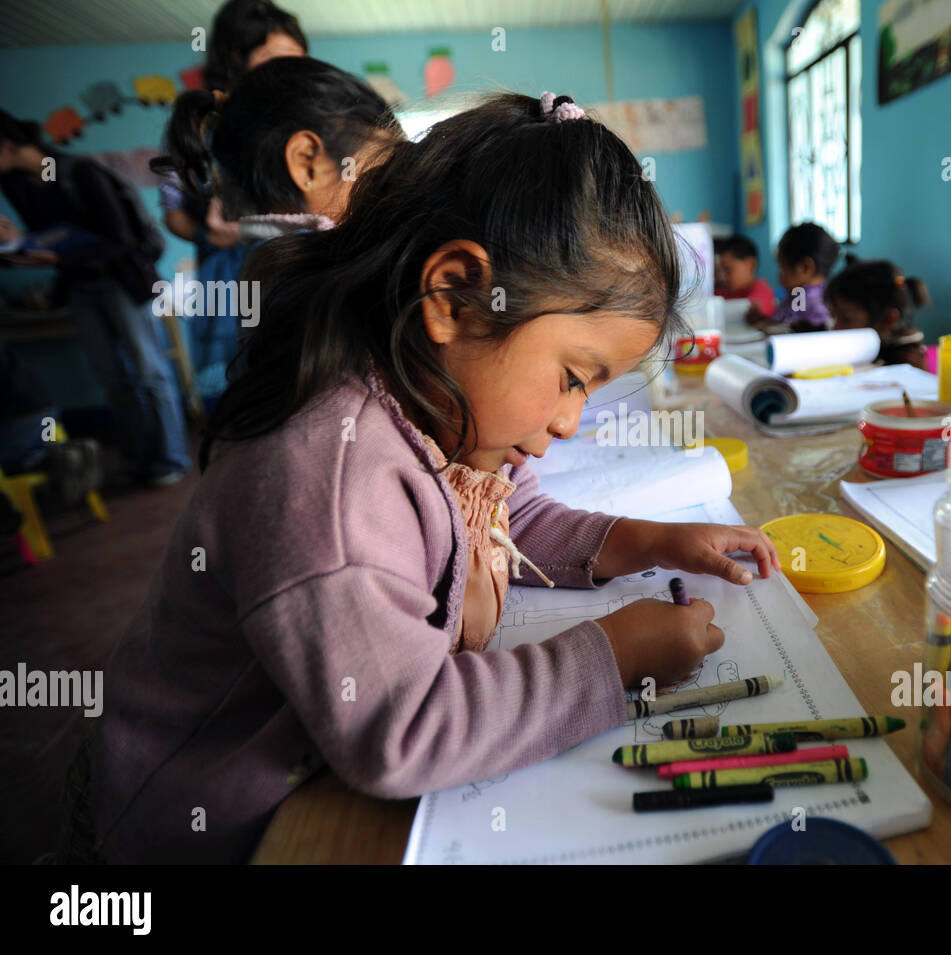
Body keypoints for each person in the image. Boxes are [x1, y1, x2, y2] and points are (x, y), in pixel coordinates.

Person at [71, 92, 780, 864]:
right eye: (575, 376)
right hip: (212, 828)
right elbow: (401, 728)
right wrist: (614, 655)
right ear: (452, 295)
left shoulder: (423, 399)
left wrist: (654, 541)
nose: (572, 420)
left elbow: (513, 521)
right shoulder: (330, 474)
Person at [153, 56, 400, 388]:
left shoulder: (266, 252)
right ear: (306, 162)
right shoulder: (310, 265)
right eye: (381, 170)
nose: (392, 191)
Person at [0, 111, 189, 485]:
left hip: (122, 282)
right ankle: (137, 460)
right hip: (80, 286)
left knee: (149, 372)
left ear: (6, 145)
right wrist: (16, 243)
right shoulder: (20, 185)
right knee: (113, 379)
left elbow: (120, 241)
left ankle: (171, 460)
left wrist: (59, 257)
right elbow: (49, 236)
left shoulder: (78, 172)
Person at [158, 0, 308, 402]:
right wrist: (210, 233)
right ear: (235, 59)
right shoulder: (198, 126)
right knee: (236, 388)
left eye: (299, 58)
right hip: (226, 279)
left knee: (297, 386)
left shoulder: (306, 120)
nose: (290, 71)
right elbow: (172, 214)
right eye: (275, 58)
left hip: (295, 267)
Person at [825, 256, 930, 368]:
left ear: (887, 320)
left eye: (847, 320)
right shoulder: (869, 348)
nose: (835, 328)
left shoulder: (906, 364)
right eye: (833, 316)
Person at [760, 222, 838, 332]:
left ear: (805, 267)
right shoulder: (798, 293)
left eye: (782, 267)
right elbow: (779, 322)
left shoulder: (809, 301)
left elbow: (787, 329)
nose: (779, 275)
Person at [714, 234, 776, 321]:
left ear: (750, 265)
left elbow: (754, 312)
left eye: (728, 269)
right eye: (720, 270)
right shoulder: (721, 292)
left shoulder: (762, 291)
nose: (722, 277)